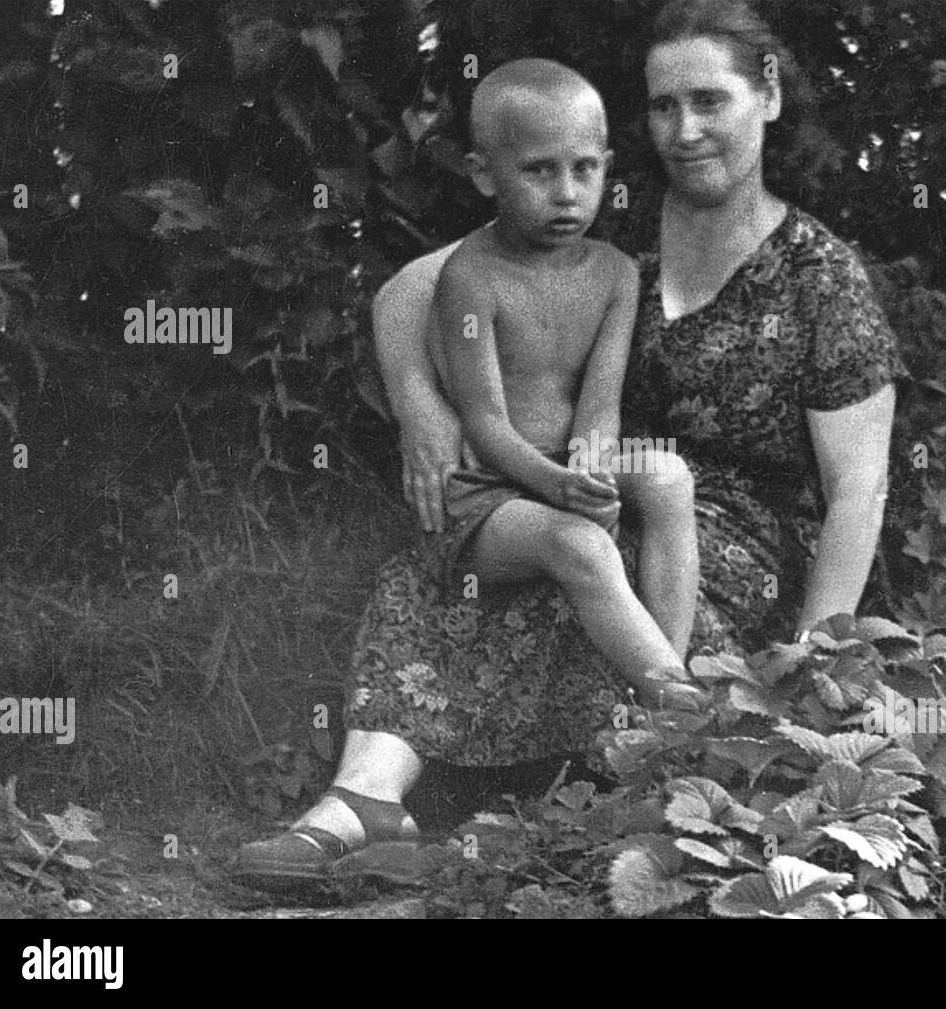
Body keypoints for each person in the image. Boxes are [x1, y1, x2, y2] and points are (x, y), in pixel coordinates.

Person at [232, 0, 907, 889]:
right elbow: (407, 292)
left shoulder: (823, 280)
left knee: (574, 576)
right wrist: (424, 411)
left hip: (725, 542)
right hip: (571, 480)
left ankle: (583, 810)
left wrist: (817, 667)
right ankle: (362, 797)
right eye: (665, 106)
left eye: (711, 101)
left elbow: (860, 492)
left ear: (769, 95)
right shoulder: (595, 212)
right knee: (441, 561)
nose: (686, 129)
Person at [430, 58, 702, 708]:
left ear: (607, 165)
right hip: (488, 494)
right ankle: (686, 708)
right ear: (482, 173)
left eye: (585, 169)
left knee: (668, 476)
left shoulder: (614, 274)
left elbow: (599, 403)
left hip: (567, 465)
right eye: (538, 170)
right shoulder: (472, 277)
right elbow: (484, 424)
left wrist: (591, 472)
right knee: (580, 542)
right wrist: (559, 490)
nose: (567, 193)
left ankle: (662, 684)